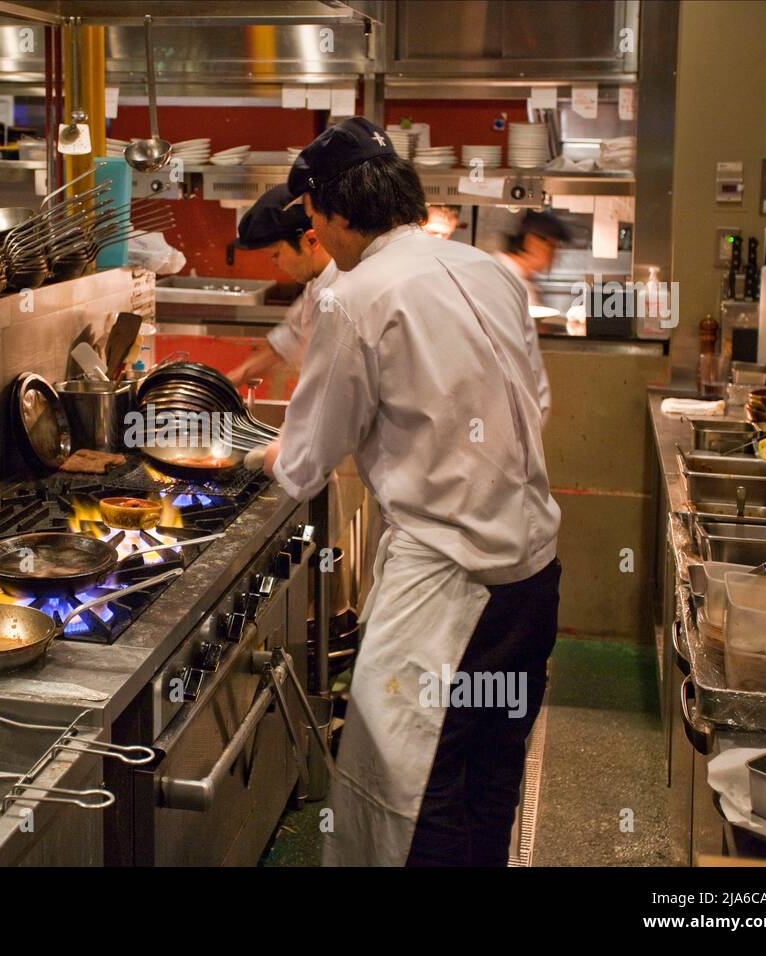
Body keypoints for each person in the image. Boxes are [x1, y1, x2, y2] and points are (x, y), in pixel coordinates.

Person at [246, 116, 562, 867]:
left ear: (336, 211)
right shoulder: (489, 270)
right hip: (533, 578)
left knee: (415, 800)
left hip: (450, 595)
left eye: (314, 214)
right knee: (490, 777)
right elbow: (536, 399)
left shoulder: (353, 298)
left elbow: (304, 460)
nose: (316, 230)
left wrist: (257, 457)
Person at [225, 184, 338, 388]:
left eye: (276, 255)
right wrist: (228, 383)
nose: (276, 265)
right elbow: (288, 340)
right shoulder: (317, 282)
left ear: (311, 240)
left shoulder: (341, 291)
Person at [491, 209, 566, 424]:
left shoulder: (523, 279)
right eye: (552, 247)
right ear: (533, 242)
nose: (555, 256)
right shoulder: (502, 275)